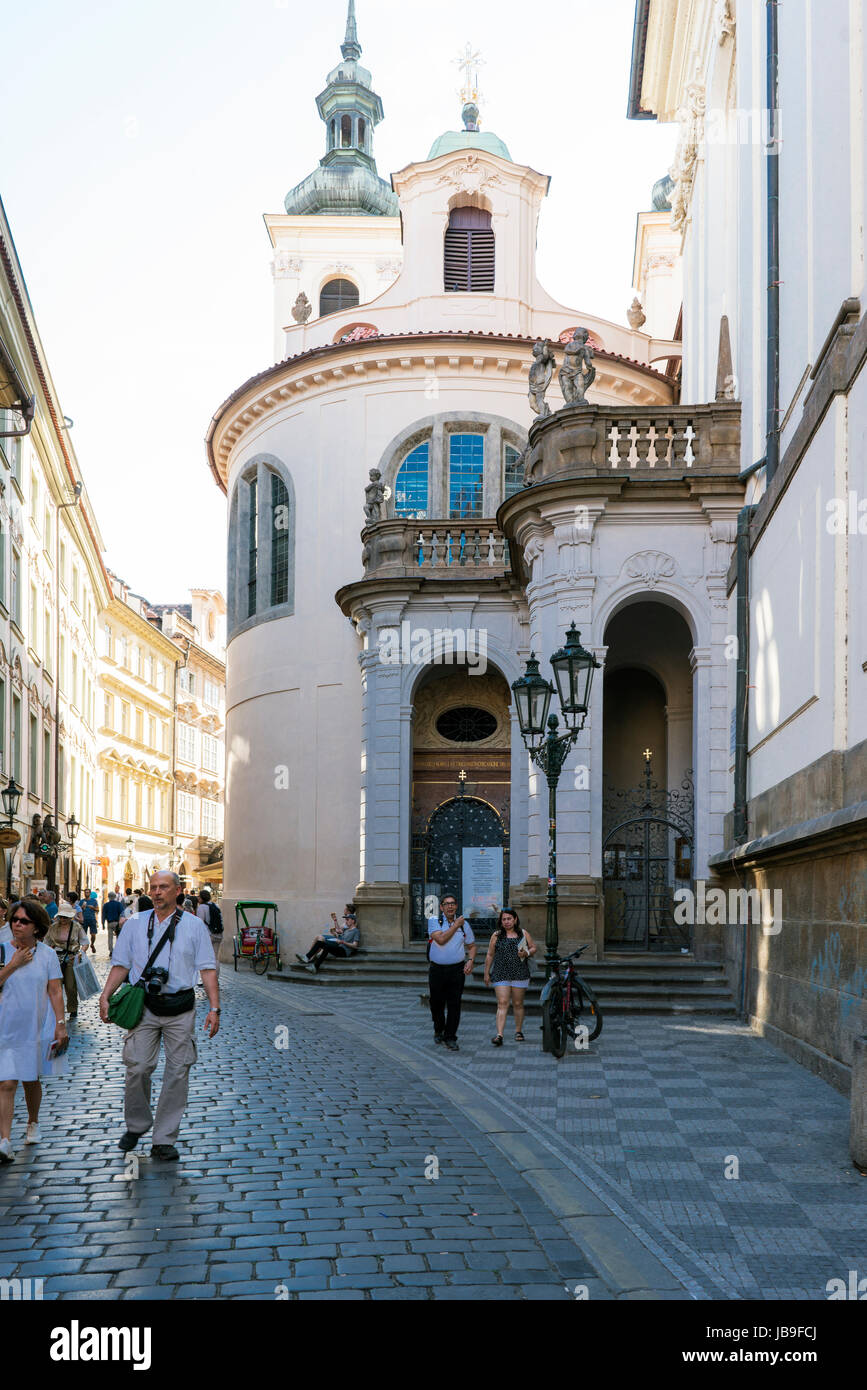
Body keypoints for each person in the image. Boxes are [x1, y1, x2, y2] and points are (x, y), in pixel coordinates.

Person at [98, 870, 220, 1161]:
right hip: (145, 1005)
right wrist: (105, 995)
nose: (156, 892)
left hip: (181, 1007)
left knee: (178, 1072)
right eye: (153, 887)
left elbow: (207, 969)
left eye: (163, 887)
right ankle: (137, 1124)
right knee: (137, 1066)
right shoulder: (135, 924)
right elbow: (121, 965)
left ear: (178, 891)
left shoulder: (194, 926)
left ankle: (164, 1139)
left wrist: (214, 1008)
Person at [0, 897, 67, 1162]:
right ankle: (4, 1140)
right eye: (14, 919)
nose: (17, 924)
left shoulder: (48, 955)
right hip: (5, 1026)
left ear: (36, 927)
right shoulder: (3, 951)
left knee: (30, 1079)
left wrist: (60, 1025)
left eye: (24, 921)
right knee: (6, 1082)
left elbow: (54, 990)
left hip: (35, 1025)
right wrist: (13, 964)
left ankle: (33, 1121)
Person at [427, 894, 475, 1051]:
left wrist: (470, 960)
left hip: (456, 970)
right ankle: (438, 1029)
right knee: (436, 1003)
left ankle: (450, 1036)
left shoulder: (464, 925)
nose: (450, 906)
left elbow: (472, 946)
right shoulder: (434, 921)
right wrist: (455, 925)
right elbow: (440, 940)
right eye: (446, 904)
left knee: (454, 1004)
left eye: (453, 903)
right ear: (441, 907)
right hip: (437, 970)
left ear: (456, 906)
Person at [483, 909, 537, 1045]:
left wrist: (526, 954)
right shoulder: (496, 935)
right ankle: (499, 1035)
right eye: (504, 919)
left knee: (518, 1004)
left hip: (520, 973)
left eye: (509, 919)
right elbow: (490, 954)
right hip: (501, 973)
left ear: (515, 919)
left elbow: (533, 947)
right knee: (502, 1003)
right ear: (501, 921)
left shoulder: (523, 933)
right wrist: (486, 973)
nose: (506, 922)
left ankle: (518, 1031)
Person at [45, 900, 89, 1019]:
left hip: (71, 958)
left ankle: (73, 1008)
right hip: (55, 958)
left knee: (70, 986)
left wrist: (80, 953)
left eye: (65, 917)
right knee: (56, 985)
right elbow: (46, 942)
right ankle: (55, 1008)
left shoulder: (77, 927)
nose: (63, 919)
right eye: (61, 917)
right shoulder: (53, 927)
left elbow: (85, 942)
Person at [296, 907, 360, 974]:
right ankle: (307, 957)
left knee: (326, 947)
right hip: (339, 947)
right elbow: (338, 931)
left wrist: (343, 942)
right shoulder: (346, 929)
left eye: (347, 920)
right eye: (346, 920)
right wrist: (335, 929)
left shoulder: (356, 931)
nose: (346, 921)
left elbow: (355, 946)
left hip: (344, 951)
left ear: (353, 921)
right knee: (320, 942)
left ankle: (314, 966)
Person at [196, 889, 223, 974]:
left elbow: (199, 923)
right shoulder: (215, 905)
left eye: (199, 897)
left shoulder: (202, 907)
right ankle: (216, 980)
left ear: (201, 898)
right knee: (215, 958)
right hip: (218, 934)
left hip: (208, 936)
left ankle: (206, 981)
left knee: (205, 958)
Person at [102, 891, 124, 957]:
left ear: (108, 897)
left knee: (110, 938)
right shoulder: (118, 904)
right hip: (117, 923)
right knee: (118, 937)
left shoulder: (106, 905)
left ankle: (111, 951)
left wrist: (103, 923)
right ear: (115, 897)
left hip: (110, 923)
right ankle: (118, 950)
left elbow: (103, 915)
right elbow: (122, 913)